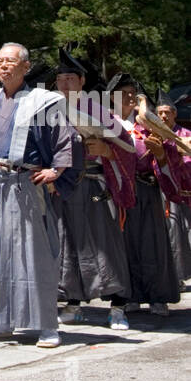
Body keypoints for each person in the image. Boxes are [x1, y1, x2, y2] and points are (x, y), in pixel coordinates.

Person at [0, 42, 74, 348]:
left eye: (11, 61)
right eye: (0, 61)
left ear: (25, 67)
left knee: (35, 254)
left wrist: (56, 170)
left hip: (26, 183)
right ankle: (2, 319)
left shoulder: (42, 101)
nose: (4, 66)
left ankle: (47, 324)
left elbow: (65, 139)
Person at [54, 49, 135, 331]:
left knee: (106, 243)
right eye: (60, 79)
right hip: (63, 187)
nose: (64, 85)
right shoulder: (49, 111)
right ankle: (73, 303)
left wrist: (107, 151)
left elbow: (129, 148)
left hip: (94, 185)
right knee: (68, 243)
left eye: (70, 79)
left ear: (82, 81)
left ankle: (118, 306)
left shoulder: (98, 109)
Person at [109, 74, 181, 316]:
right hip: (120, 189)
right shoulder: (107, 124)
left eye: (132, 92)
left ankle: (157, 296)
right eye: (123, 92)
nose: (129, 96)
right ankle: (130, 295)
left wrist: (160, 154)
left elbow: (170, 155)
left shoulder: (147, 124)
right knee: (126, 245)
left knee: (153, 243)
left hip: (148, 189)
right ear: (111, 97)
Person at [156, 97, 191, 286]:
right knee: (173, 234)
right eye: (160, 112)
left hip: (187, 191)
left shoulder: (186, 134)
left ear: (174, 114)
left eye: (166, 112)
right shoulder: (154, 136)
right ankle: (176, 278)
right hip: (165, 191)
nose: (163, 116)